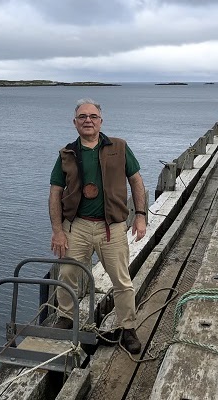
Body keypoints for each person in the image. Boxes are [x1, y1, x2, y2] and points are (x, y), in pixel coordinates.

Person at [48, 98, 147, 354]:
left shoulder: (119, 147)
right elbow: (54, 194)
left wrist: (140, 215)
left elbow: (136, 181)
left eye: (92, 116)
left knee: (122, 281)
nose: (88, 120)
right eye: (82, 117)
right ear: (75, 123)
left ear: (101, 121)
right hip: (77, 226)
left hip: (111, 227)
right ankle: (66, 318)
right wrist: (58, 231)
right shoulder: (66, 154)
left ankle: (128, 328)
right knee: (68, 273)